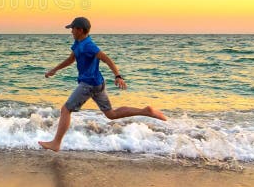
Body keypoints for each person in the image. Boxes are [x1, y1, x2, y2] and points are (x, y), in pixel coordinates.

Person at [38, 17, 167, 152]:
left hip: (88, 84)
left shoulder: (89, 45)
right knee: (111, 114)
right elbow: (71, 59)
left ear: (80, 30)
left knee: (66, 110)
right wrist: (55, 70)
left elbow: (107, 59)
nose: (71, 31)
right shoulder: (78, 43)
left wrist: (118, 76)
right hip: (97, 83)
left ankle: (56, 143)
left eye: (73, 29)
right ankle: (145, 111)